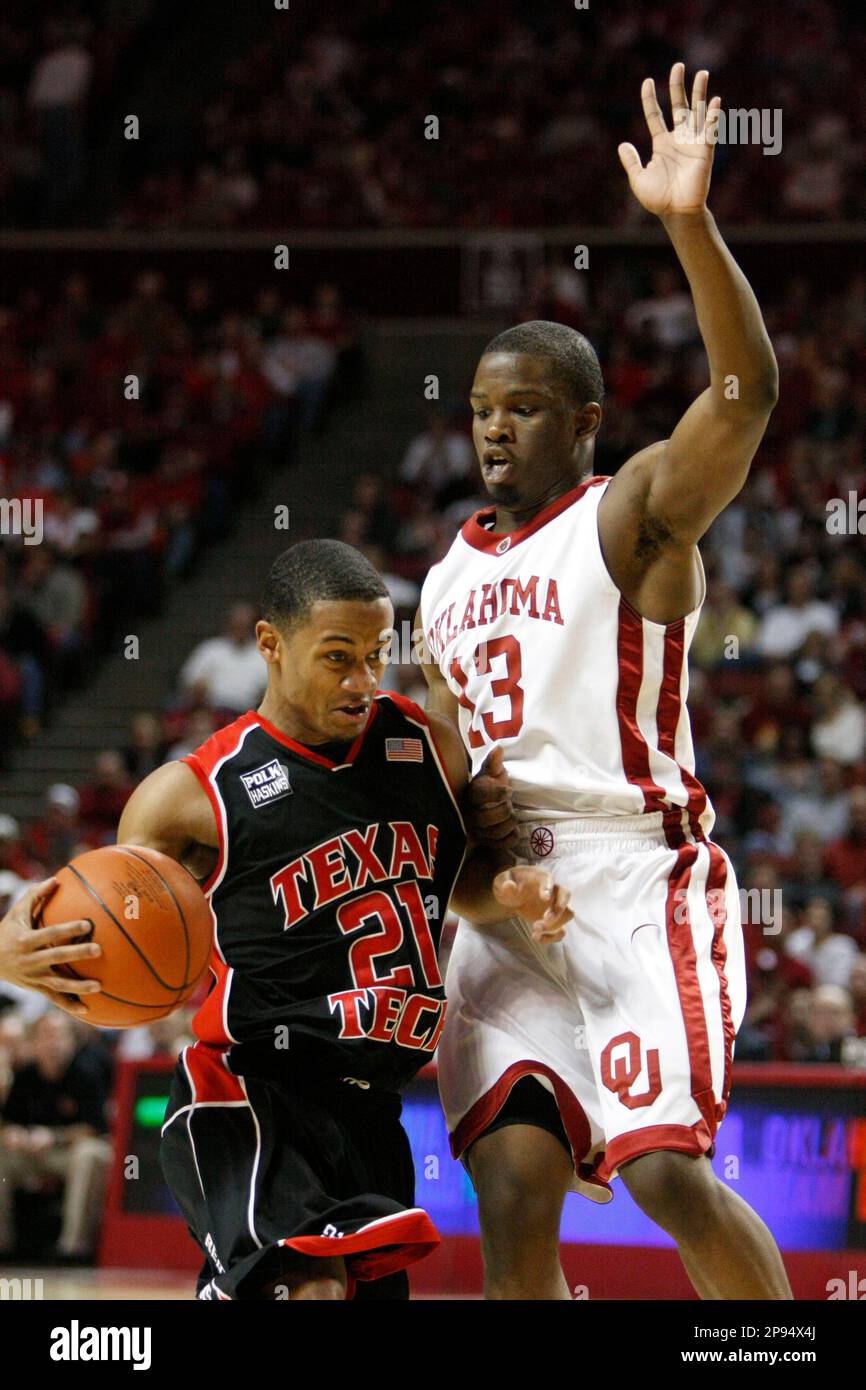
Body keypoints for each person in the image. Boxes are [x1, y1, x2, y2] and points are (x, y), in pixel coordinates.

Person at [417, 63, 792, 1300]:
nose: (493, 430)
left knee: (662, 1177)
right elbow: (454, 781)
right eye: (480, 409)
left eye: (522, 409)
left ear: (580, 422)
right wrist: (486, 892)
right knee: (512, 1186)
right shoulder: (436, 584)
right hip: (512, 894)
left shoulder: (629, 516)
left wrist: (687, 227)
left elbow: (743, 401)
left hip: (636, 874)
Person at [22, 538, 565, 1301]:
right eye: (337, 656)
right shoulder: (195, 792)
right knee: (310, 1287)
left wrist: (508, 889)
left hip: (372, 1108)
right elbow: (95, 907)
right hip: (250, 1090)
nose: (362, 679)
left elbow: (455, 889)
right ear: (270, 645)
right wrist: (16, 946)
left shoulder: (426, 746)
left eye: (377, 655)